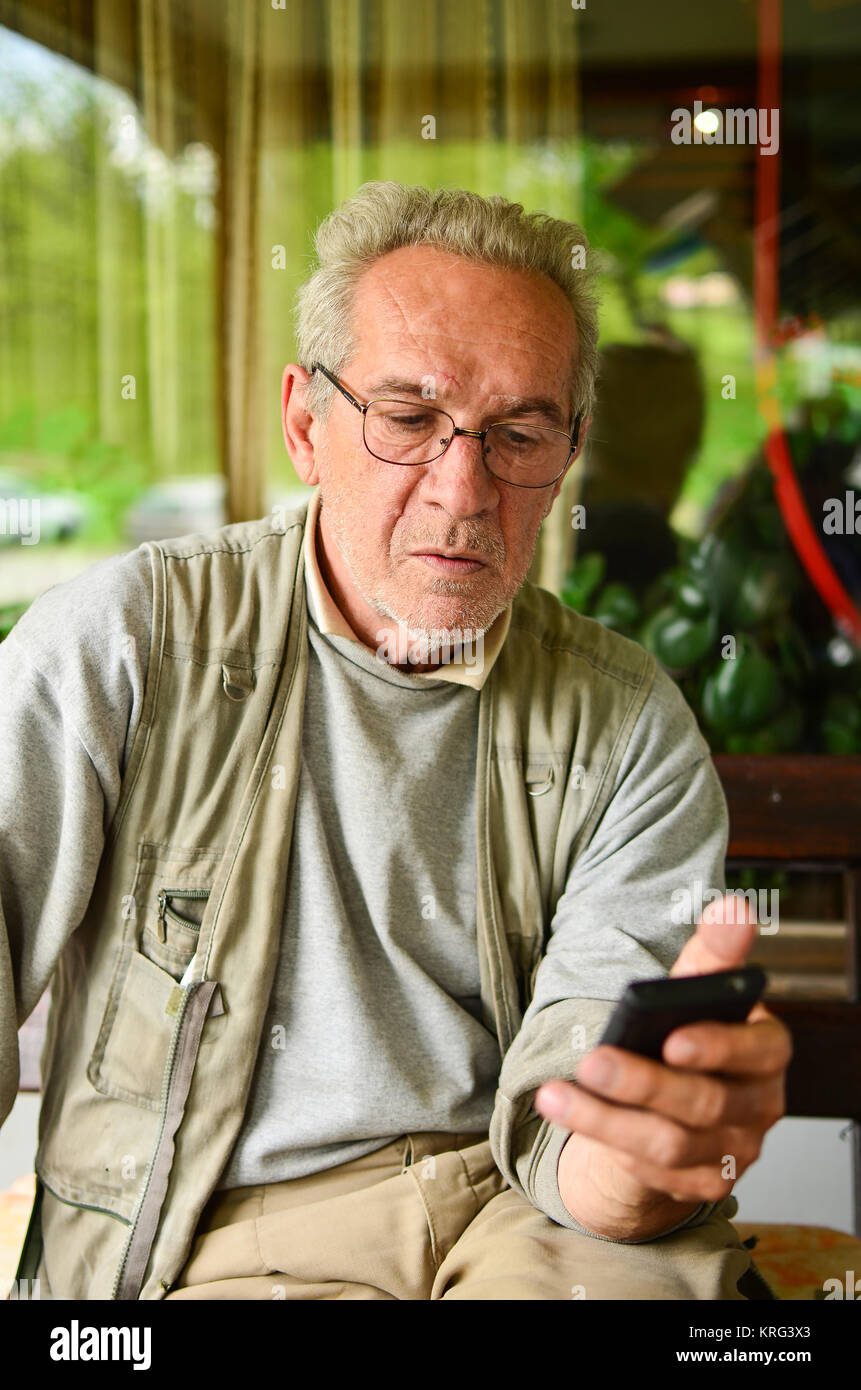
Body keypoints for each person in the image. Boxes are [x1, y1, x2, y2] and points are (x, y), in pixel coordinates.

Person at [1, 182, 790, 1301]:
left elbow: (593, 1128)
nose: (462, 490)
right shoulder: (123, 644)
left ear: (569, 453)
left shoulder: (627, 722)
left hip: (531, 1216)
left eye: (517, 433)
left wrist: (643, 1154)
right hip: (223, 1231)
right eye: (409, 417)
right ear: (306, 423)